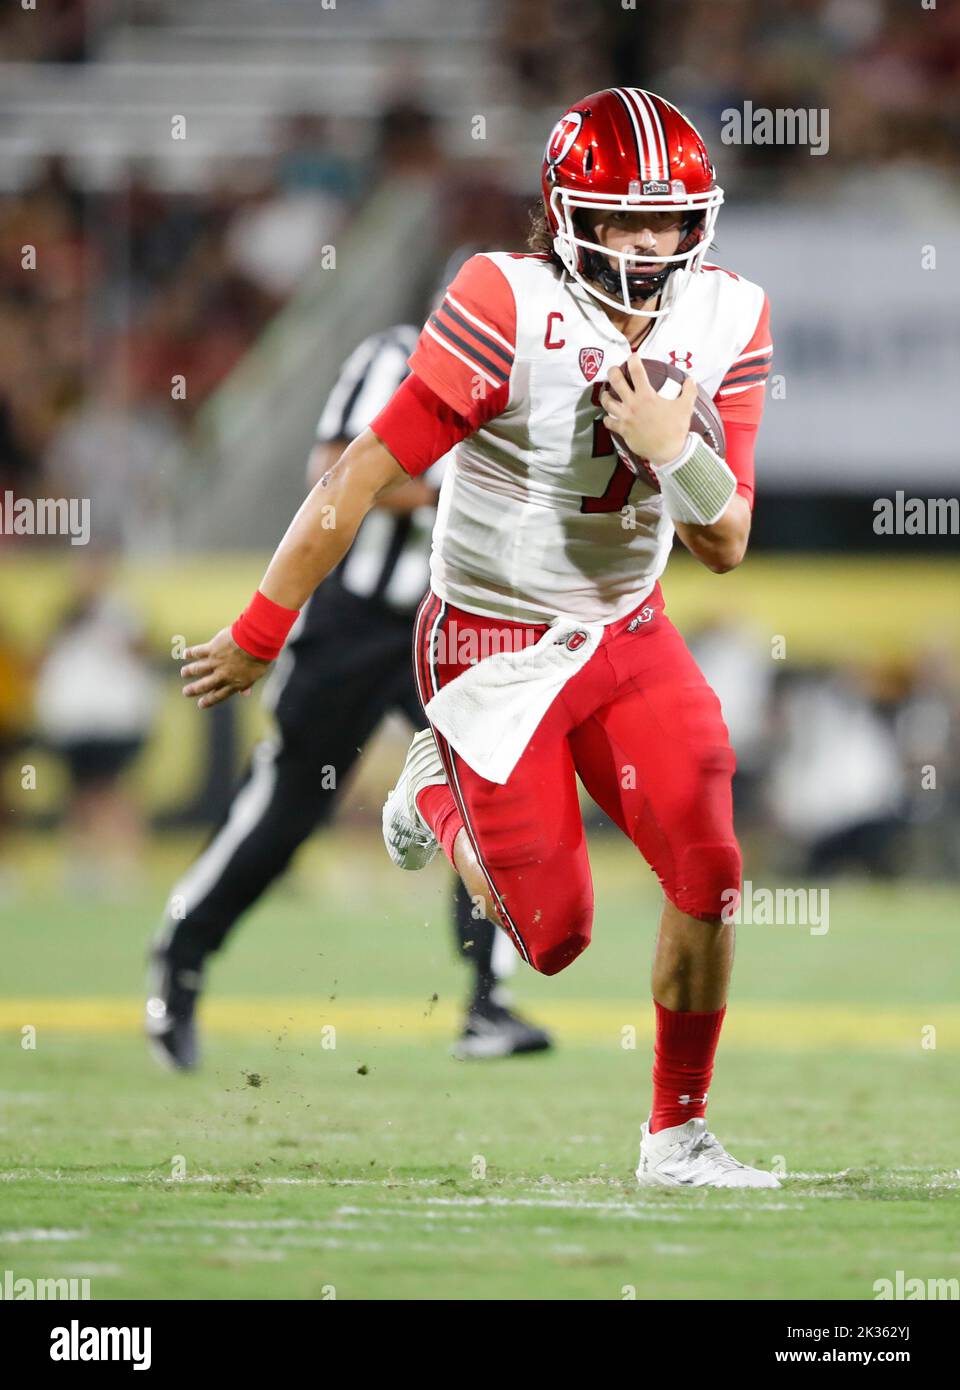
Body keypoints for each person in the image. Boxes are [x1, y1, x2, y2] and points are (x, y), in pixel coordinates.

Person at [179, 89, 777, 1188]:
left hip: (625, 628)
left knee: (710, 864)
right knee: (549, 938)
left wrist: (670, 448)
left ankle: (677, 1136)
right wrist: (262, 627)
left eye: (671, 218)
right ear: (566, 215)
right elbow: (361, 472)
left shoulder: (731, 313)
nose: (652, 243)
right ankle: (432, 789)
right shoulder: (502, 299)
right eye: (624, 218)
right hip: (490, 638)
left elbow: (727, 538)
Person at [147, 275, 553, 1070]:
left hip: (460, 625)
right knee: (289, 804)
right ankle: (181, 953)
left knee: (497, 792)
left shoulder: (542, 380)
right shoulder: (396, 358)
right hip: (358, 623)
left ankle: (486, 999)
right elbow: (335, 466)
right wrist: (457, 485)